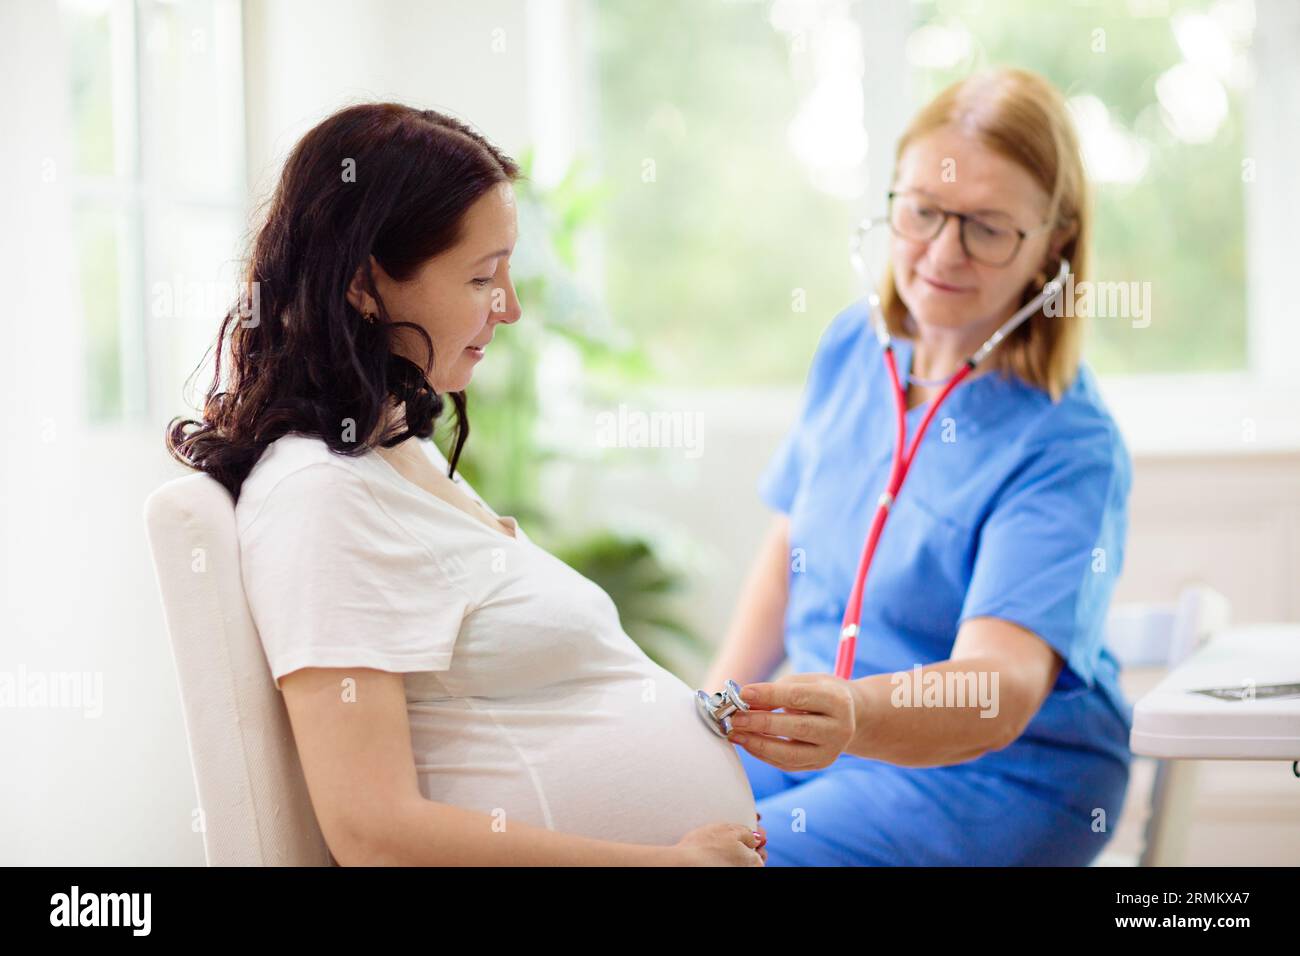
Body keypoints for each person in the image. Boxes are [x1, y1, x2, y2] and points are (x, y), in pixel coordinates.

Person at [167, 102, 765, 866]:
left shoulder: (394, 453)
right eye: (482, 277)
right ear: (362, 284)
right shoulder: (319, 497)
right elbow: (371, 833)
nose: (509, 309)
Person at [704, 67, 1134, 866]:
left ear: (1053, 243)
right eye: (923, 212)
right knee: (630, 816)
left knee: (732, 858)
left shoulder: (1068, 443)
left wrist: (857, 714)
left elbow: (996, 686)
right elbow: (786, 554)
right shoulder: (851, 348)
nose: (942, 251)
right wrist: (702, 719)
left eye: (988, 227)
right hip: (830, 746)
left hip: (1000, 778)